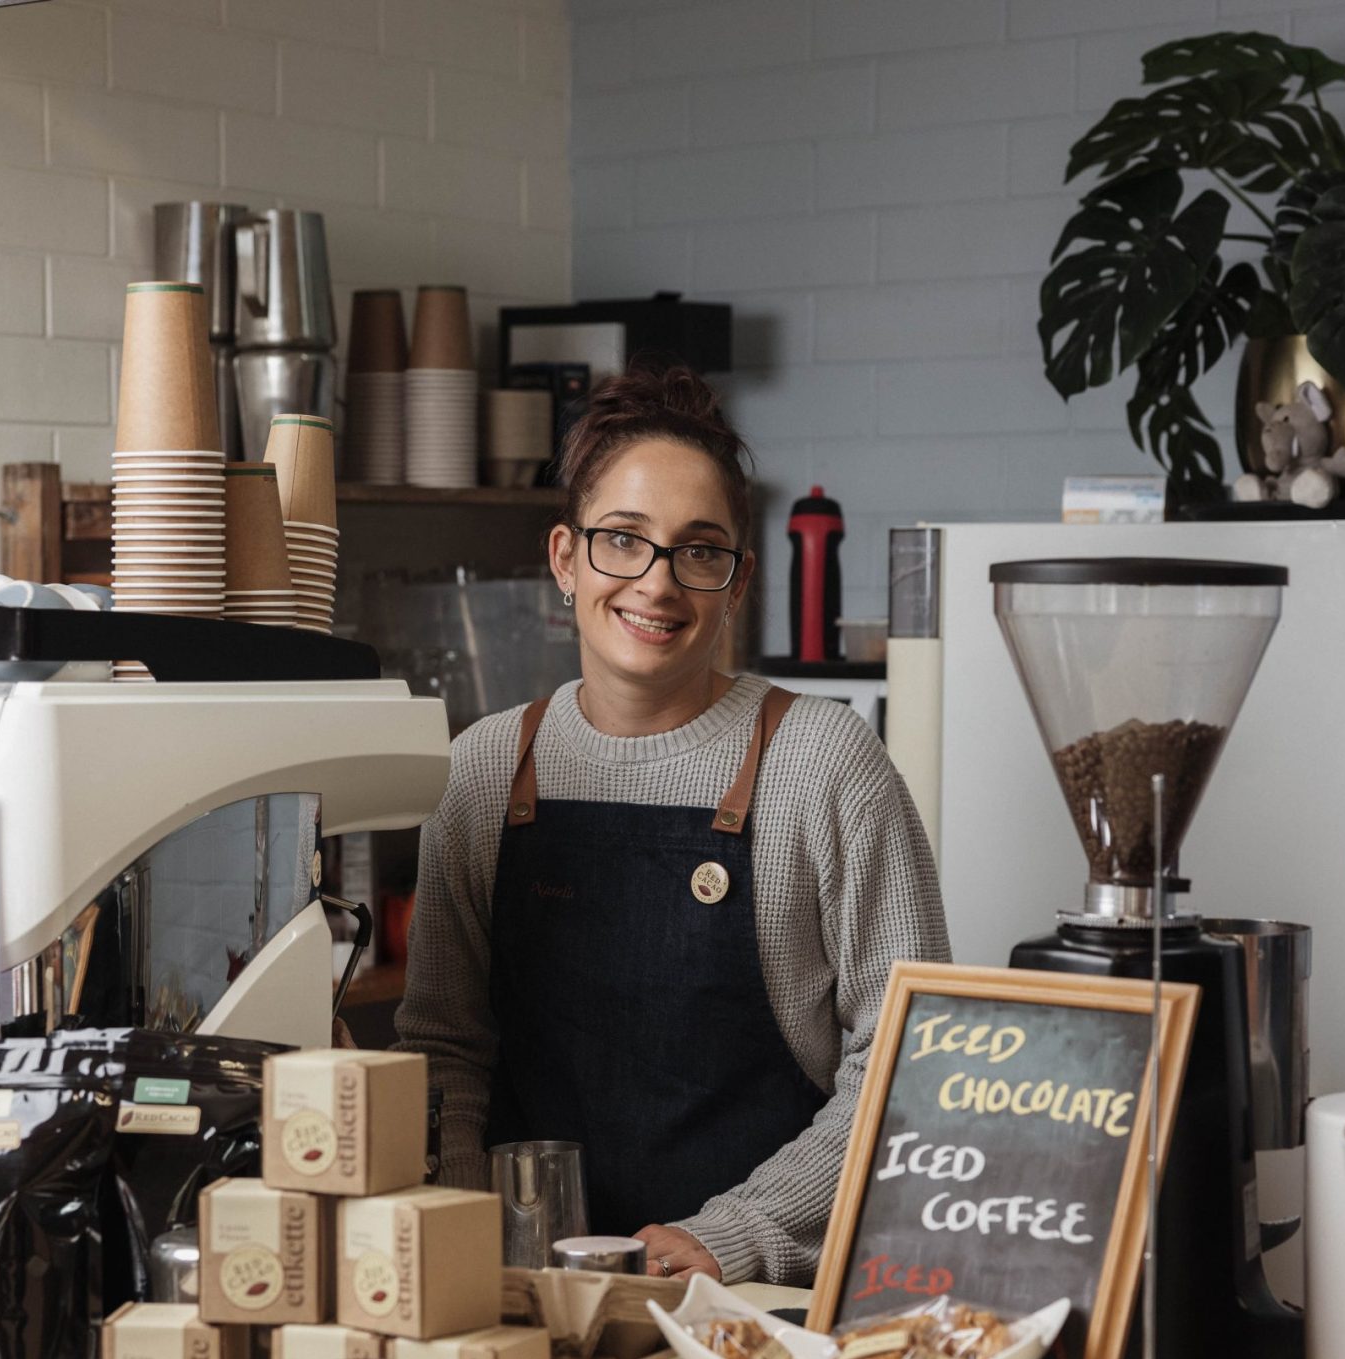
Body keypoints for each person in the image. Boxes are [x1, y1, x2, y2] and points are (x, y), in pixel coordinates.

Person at [395, 365, 950, 1285]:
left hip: (750, 1308)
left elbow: (910, 1053)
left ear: (736, 582)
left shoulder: (823, 762)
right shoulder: (484, 770)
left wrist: (732, 1236)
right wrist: (471, 1243)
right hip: (525, 1297)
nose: (657, 584)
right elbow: (444, 1050)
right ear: (567, 559)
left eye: (699, 551)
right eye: (624, 540)